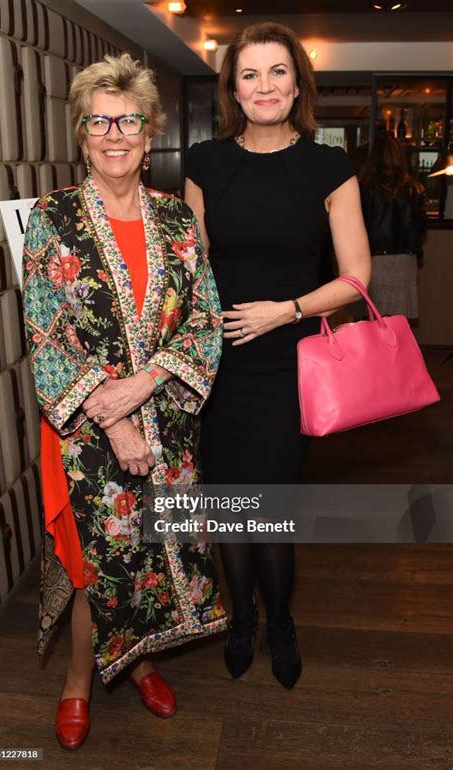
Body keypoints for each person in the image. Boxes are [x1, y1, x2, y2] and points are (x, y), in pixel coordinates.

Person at [22, 53, 226, 751]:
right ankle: (79, 680)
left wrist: (144, 386)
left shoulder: (177, 221)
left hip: (167, 423)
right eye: (99, 121)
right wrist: (110, 420)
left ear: (150, 134)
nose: (114, 134)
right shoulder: (52, 219)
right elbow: (46, 333)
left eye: (128, 120)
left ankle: (138, 662)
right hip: (83, 432)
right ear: (82, 135)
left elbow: (203, 320)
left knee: (149, 549)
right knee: (93, 565)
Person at [184, 22, 371, 690]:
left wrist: (285, 310)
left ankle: (282, 624)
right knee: (230, 504)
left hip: (293, 365)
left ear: (298, 85)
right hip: (220, 367)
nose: (265, 86)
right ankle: (242, 623)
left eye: (278, 73)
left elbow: (355, 278)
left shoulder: (329, 166)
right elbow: (191, 270)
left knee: (271, 507)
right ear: (233, 89)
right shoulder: (204, 165)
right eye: (250, 75)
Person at [359, 132, 427, 318]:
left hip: (374, 262)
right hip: (406, 262)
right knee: (399, 325)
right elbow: (420, 228)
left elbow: (358, 229)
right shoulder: (415, 189)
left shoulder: (364, 189)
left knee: (373, 324)